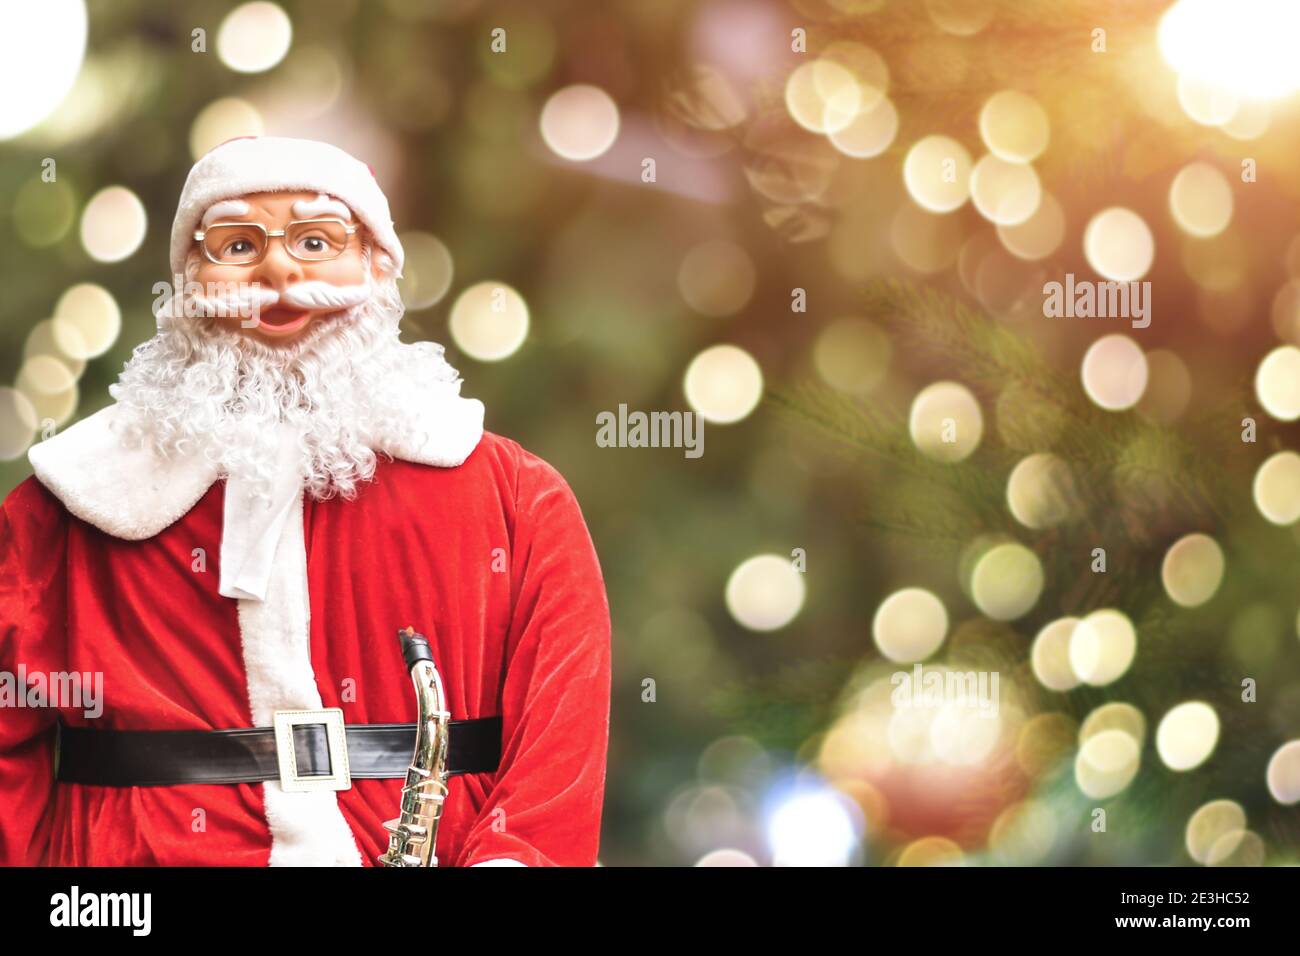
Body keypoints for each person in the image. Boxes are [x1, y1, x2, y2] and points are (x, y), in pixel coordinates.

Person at [0, 136, 612, 866]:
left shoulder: (517, 499)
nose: (279, 268)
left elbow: (559, 743)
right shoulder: (66, 504)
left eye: (316, 240)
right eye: (237, 243)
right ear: (189, 276)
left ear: (377, 267)